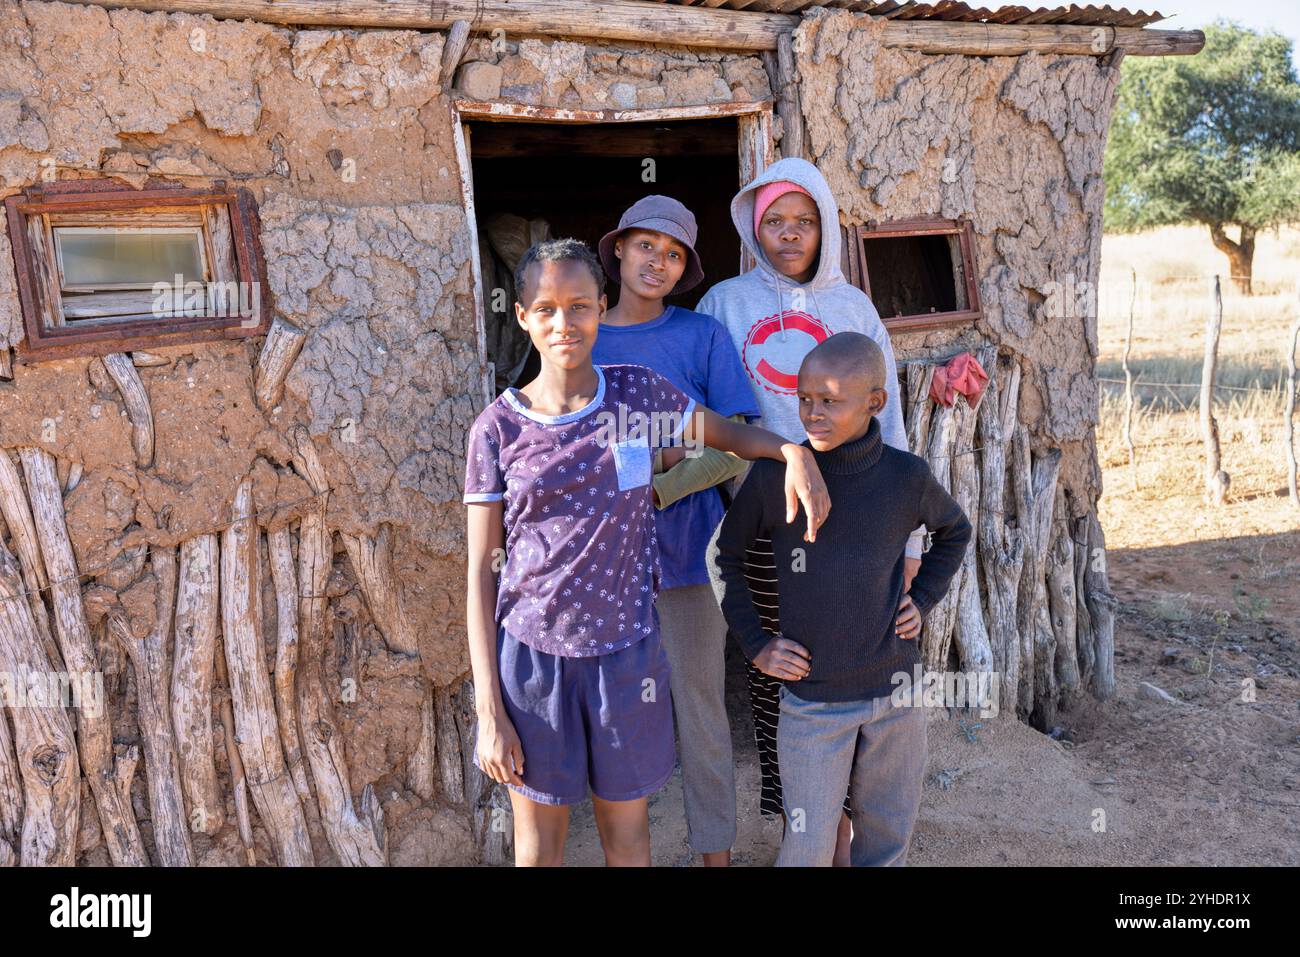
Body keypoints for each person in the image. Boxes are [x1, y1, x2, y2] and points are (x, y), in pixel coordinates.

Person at [462, 237, 830, 866]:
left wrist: (789, 450)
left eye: (579, 306)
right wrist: (489, 709)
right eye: (545, 309)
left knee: (628, 839)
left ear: (601, 309)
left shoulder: (636, 393)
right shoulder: (497, 429)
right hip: (534, 659)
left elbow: (724, 433)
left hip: (627, 656)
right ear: (521, 316)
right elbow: (479, 577)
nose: (563, 323)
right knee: (539, 845)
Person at [696, 156, 926, 861]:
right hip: (770, 529)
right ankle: (813, 827)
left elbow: (891, 426)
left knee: (864, 676)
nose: (789, 234)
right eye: (774, 222)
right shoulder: (726, 305)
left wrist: (909, 537)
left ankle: (850, 830)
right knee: (783, 679)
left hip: (863, 532)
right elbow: (707, 411)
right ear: (752, 226)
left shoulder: (853, 308)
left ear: (824, 224)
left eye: (803, 221)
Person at [712, 332, 972, 866]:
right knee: (806, 844)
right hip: (812, 703)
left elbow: (954, 532)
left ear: (874, 402)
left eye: (830, 400)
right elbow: (725, 559)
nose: (813, 413)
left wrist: (921, 600)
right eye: (804, 398)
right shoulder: (775, 478)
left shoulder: (906, 477)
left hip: (896, 693)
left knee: (886, 836)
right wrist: (757, 644)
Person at [591, 196, 759, 867]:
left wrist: (655, 482)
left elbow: (737, 443)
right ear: (619, 251)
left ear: (685, 266)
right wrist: (656, 455)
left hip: (693, 555)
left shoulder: (701, 337)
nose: (655, 260)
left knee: (699, 709)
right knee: (620, 716)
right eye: (644, 246)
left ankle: (713, 853)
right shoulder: (579, 335)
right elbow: (563, 451)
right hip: (604, 562)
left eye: (672, 252)